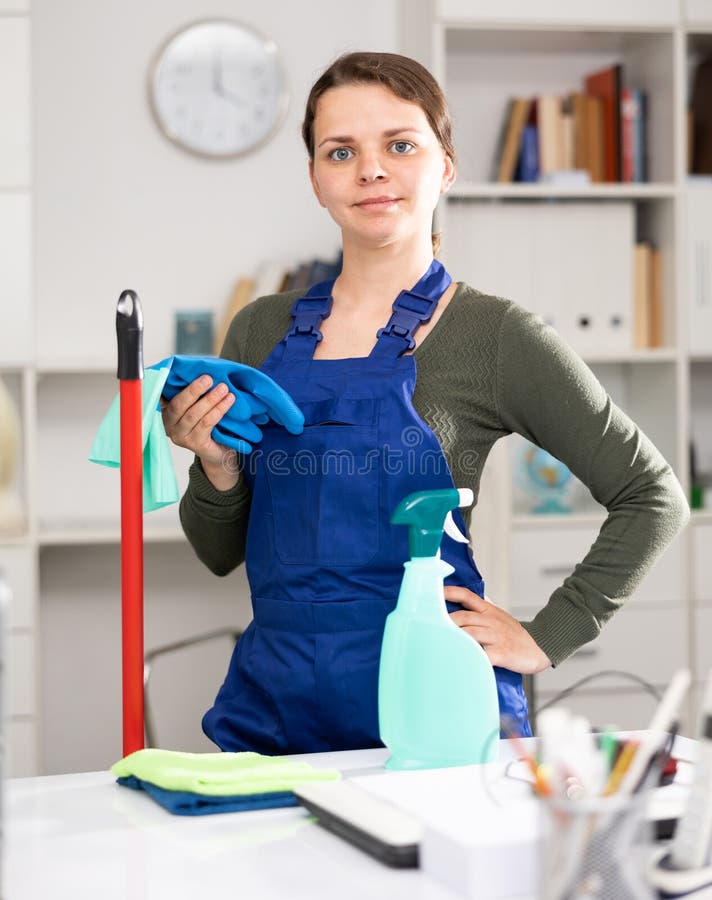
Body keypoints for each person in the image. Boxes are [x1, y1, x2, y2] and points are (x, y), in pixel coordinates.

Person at [163, 51, 689, 754]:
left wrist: (548, 634)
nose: (370, 170)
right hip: (276, 712)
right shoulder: (260, 329)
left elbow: (653, 495)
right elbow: (218, 552)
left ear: (445, 166)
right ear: (317, 180)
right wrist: (217, 465)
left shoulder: (495, 336)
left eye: (400, 145)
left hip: (436, 717)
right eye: (340, 150)